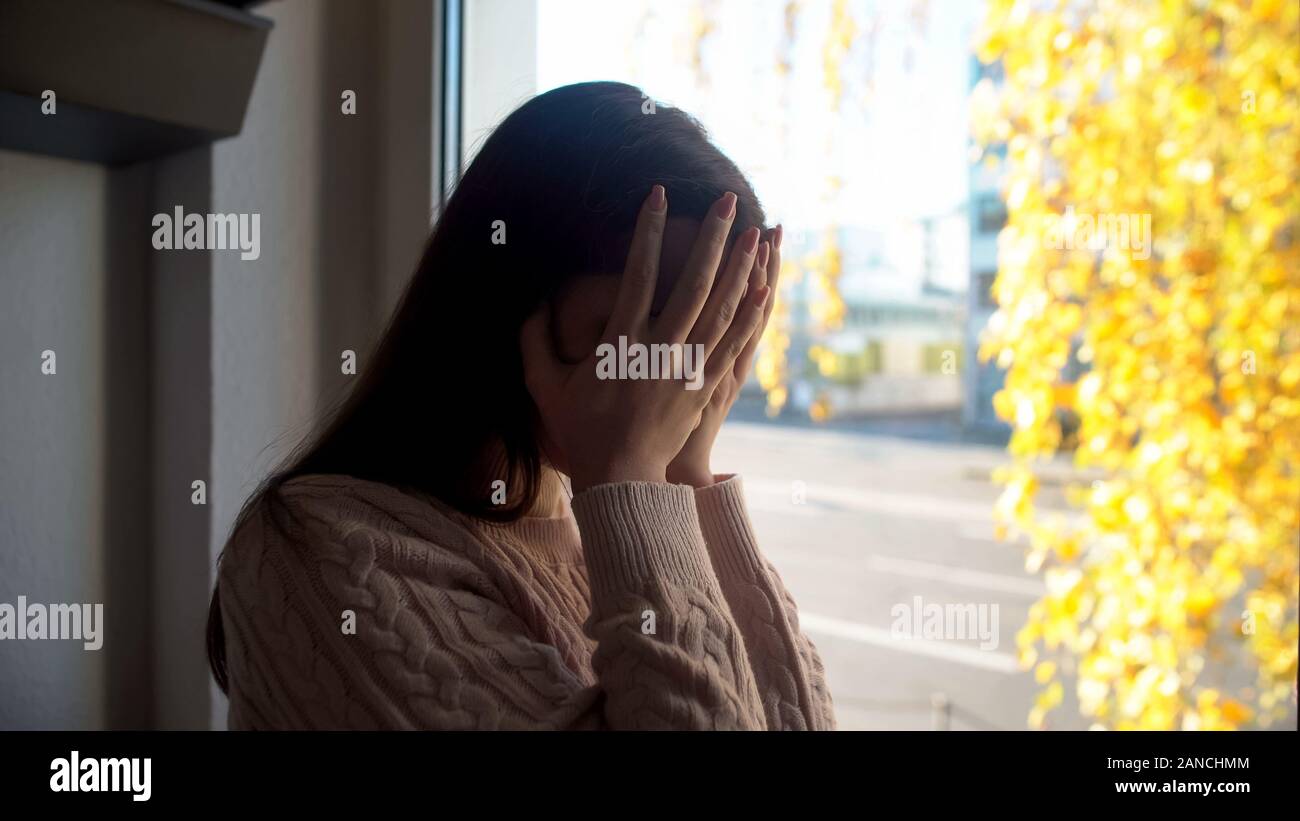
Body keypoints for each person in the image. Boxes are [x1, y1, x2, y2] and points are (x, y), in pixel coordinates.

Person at [207, 81, 835, 730]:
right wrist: (631, 477)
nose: (684, 368)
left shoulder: (605, 516)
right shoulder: (326, 549)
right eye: (653, 322)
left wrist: (688, 475)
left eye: (716, 323)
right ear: (513, 301)